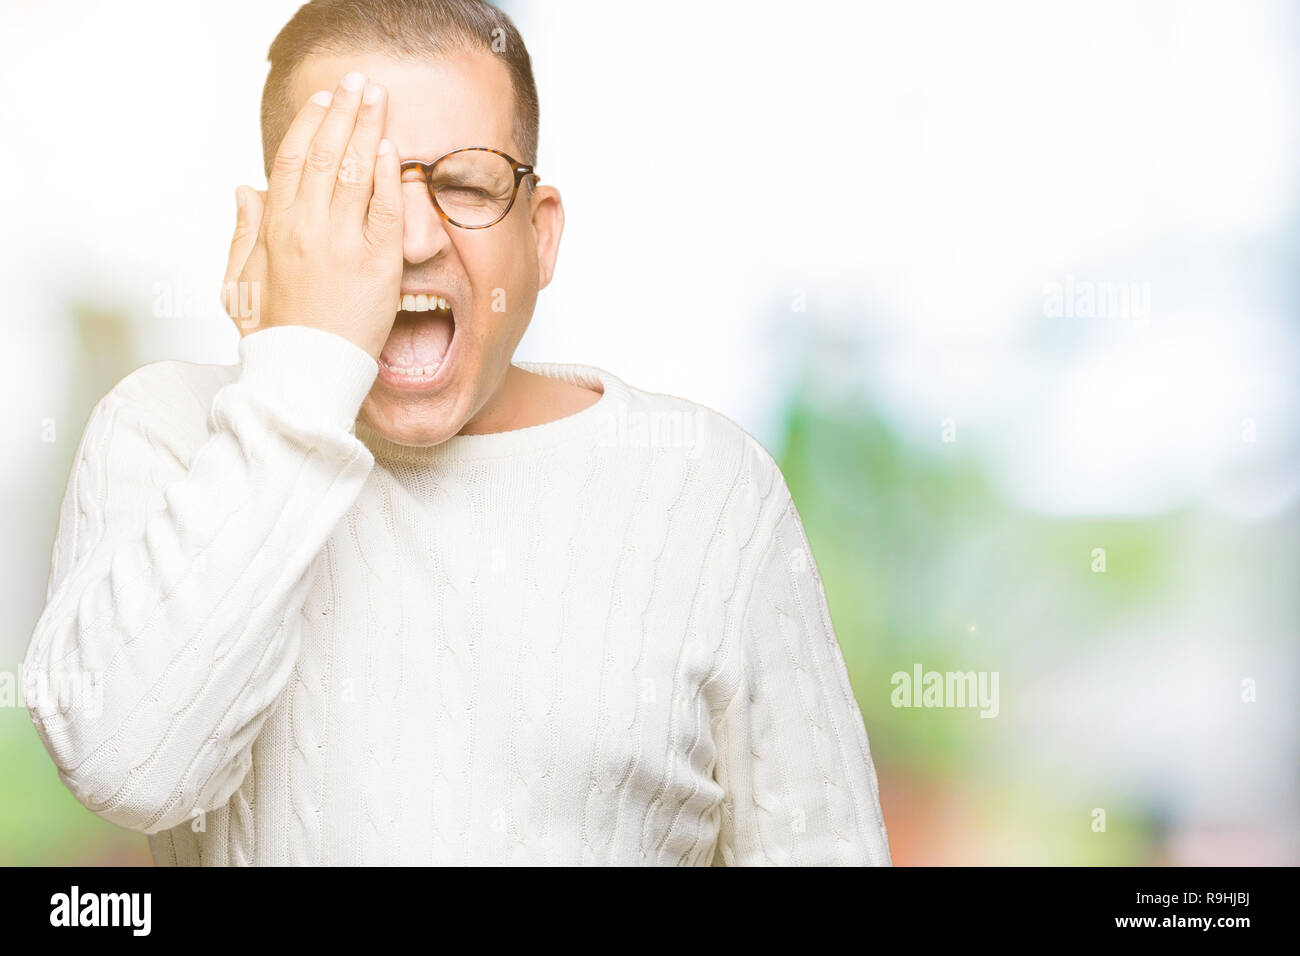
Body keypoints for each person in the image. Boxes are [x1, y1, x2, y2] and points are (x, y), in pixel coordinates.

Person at [21, 0, 892, 866]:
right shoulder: (163, 433)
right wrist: (301, 371)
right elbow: (127, 768)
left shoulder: (709, 492)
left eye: (466, 184)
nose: (411, 237)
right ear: (269, 230)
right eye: (347, 188)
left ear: (541, 237)